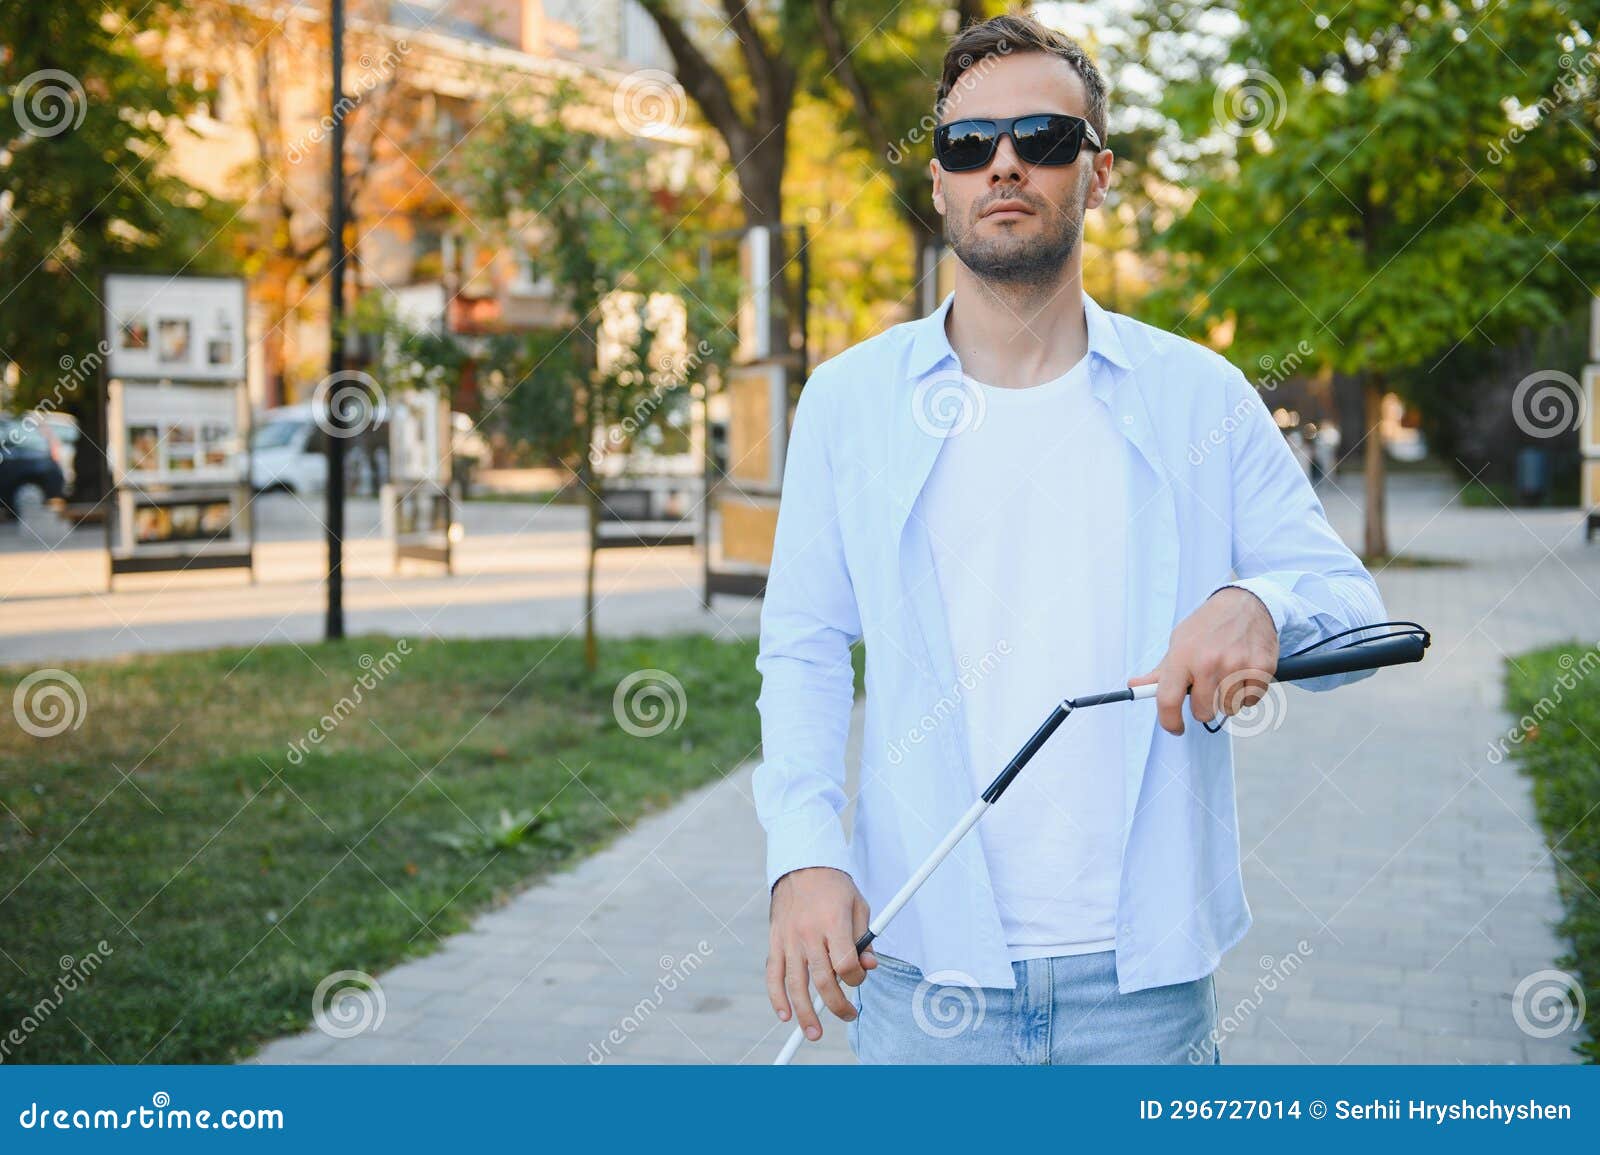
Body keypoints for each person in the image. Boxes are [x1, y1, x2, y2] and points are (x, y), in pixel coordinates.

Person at [753, 11, 1384, 1065]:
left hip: (1140, 993)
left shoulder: (1200, 396)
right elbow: (805, 646)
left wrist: (1261, 607)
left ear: (1096, 175)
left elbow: (1352, 610)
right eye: (969, 144)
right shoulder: (848, 401)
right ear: (941, 181)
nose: (1004, 164)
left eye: (1042, 139)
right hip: (917, 974)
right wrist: (803, 856)